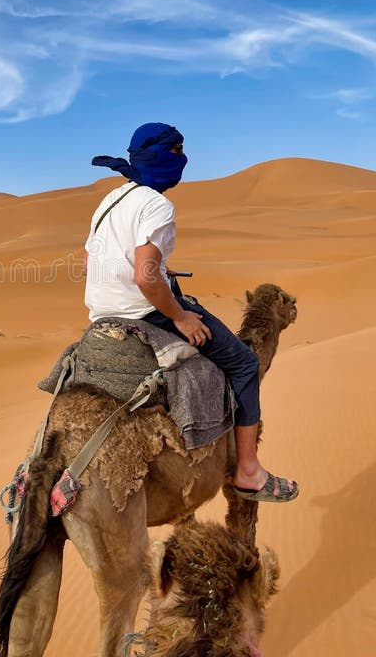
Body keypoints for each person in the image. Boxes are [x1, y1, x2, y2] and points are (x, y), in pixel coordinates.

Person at [83, 122, 298, 503]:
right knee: (246, 364)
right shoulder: (156, 204)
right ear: (163, 157)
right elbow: (146, 275)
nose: (184, 159)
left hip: (102, 315)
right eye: (178, 151)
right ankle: (249, 471)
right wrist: (180, 316)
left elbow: (88, 263)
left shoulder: (111, 200)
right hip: (146, 313)